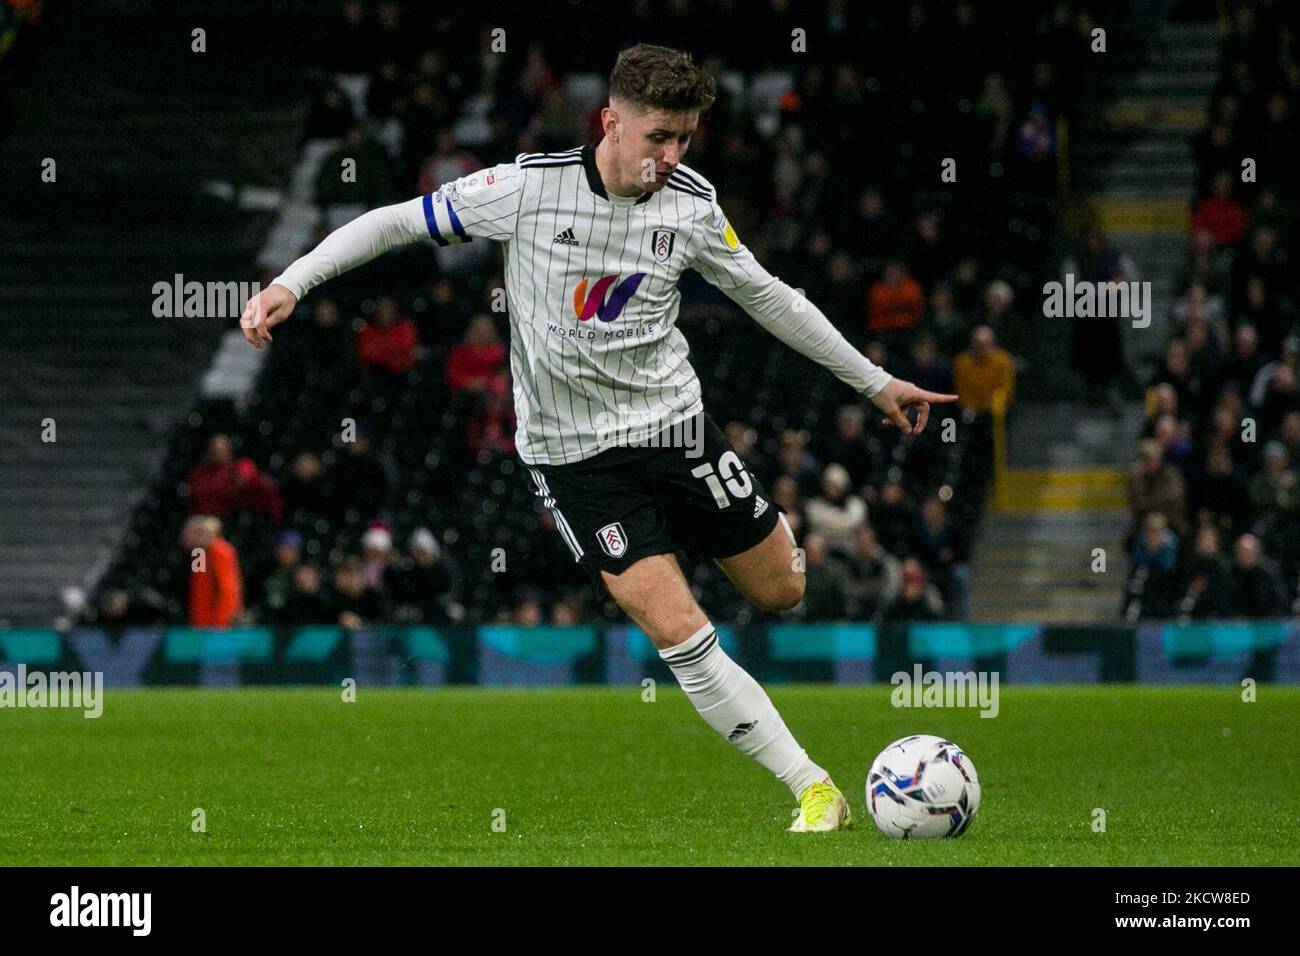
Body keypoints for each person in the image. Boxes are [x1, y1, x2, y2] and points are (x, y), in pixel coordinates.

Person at [241, 43, 956, 834]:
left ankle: (715, 527)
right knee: (680, 631)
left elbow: (771, 298)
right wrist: (290, 282)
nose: (672, 155)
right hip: (575, 457)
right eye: (658, 137)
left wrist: (874, 380)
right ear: (610, 121)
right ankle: (811, 786)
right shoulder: (526, 189)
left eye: (685, 138)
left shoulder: (690, 203)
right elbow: (397, 221)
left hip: (678, 429)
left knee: (782, 587)